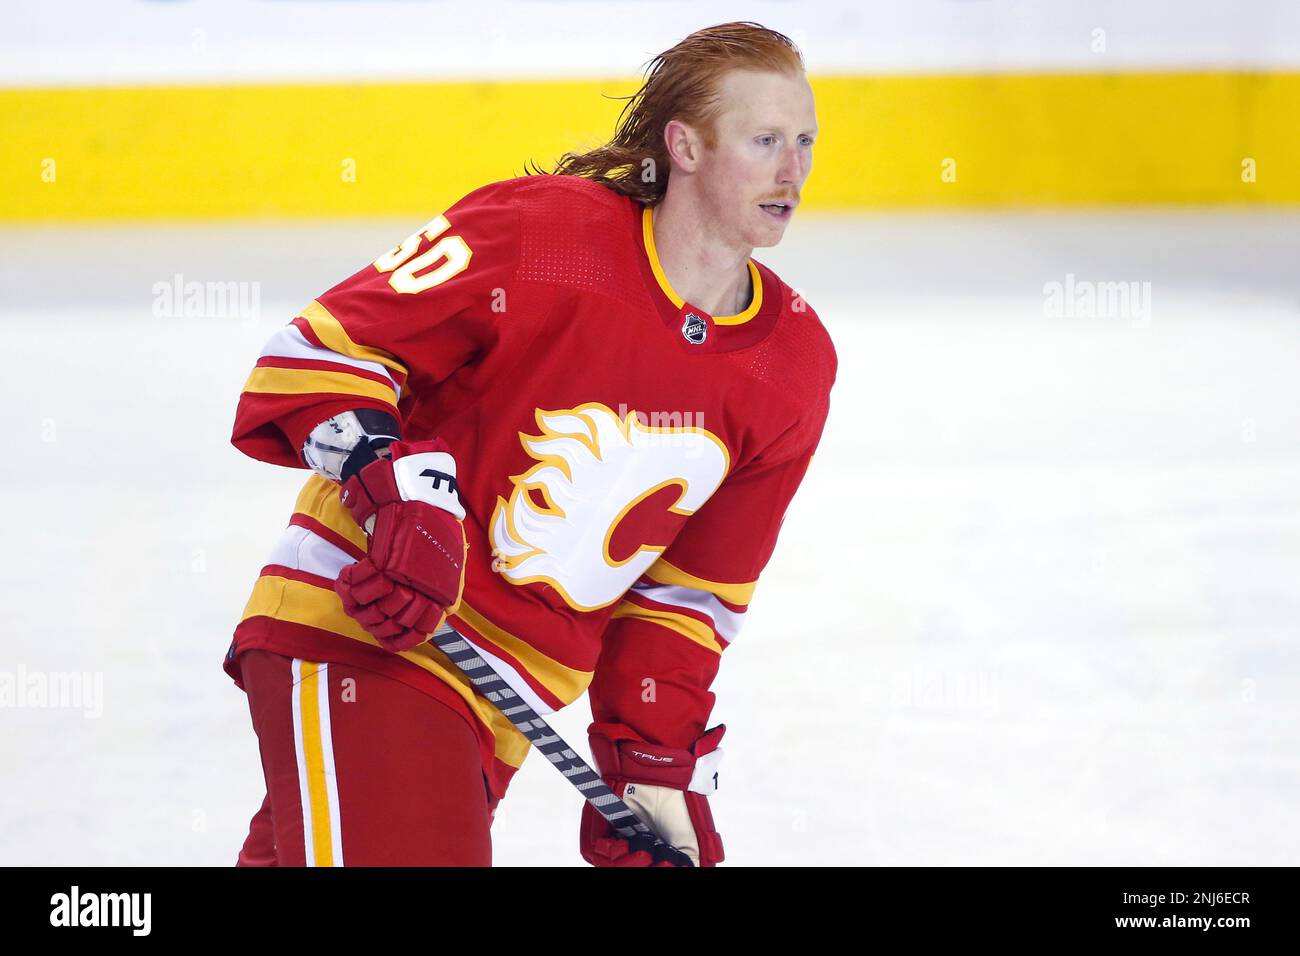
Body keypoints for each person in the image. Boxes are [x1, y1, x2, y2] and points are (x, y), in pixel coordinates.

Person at [225, 20, 835, 866]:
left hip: (498, 709)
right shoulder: (545, 237)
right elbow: (322, 353)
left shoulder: (791, 365)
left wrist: (653, 768)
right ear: (686, 146)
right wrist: (397, 493)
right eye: (765, 140)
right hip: (368, 630)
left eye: (805, 140)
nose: (793, 169)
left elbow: (689, 597)